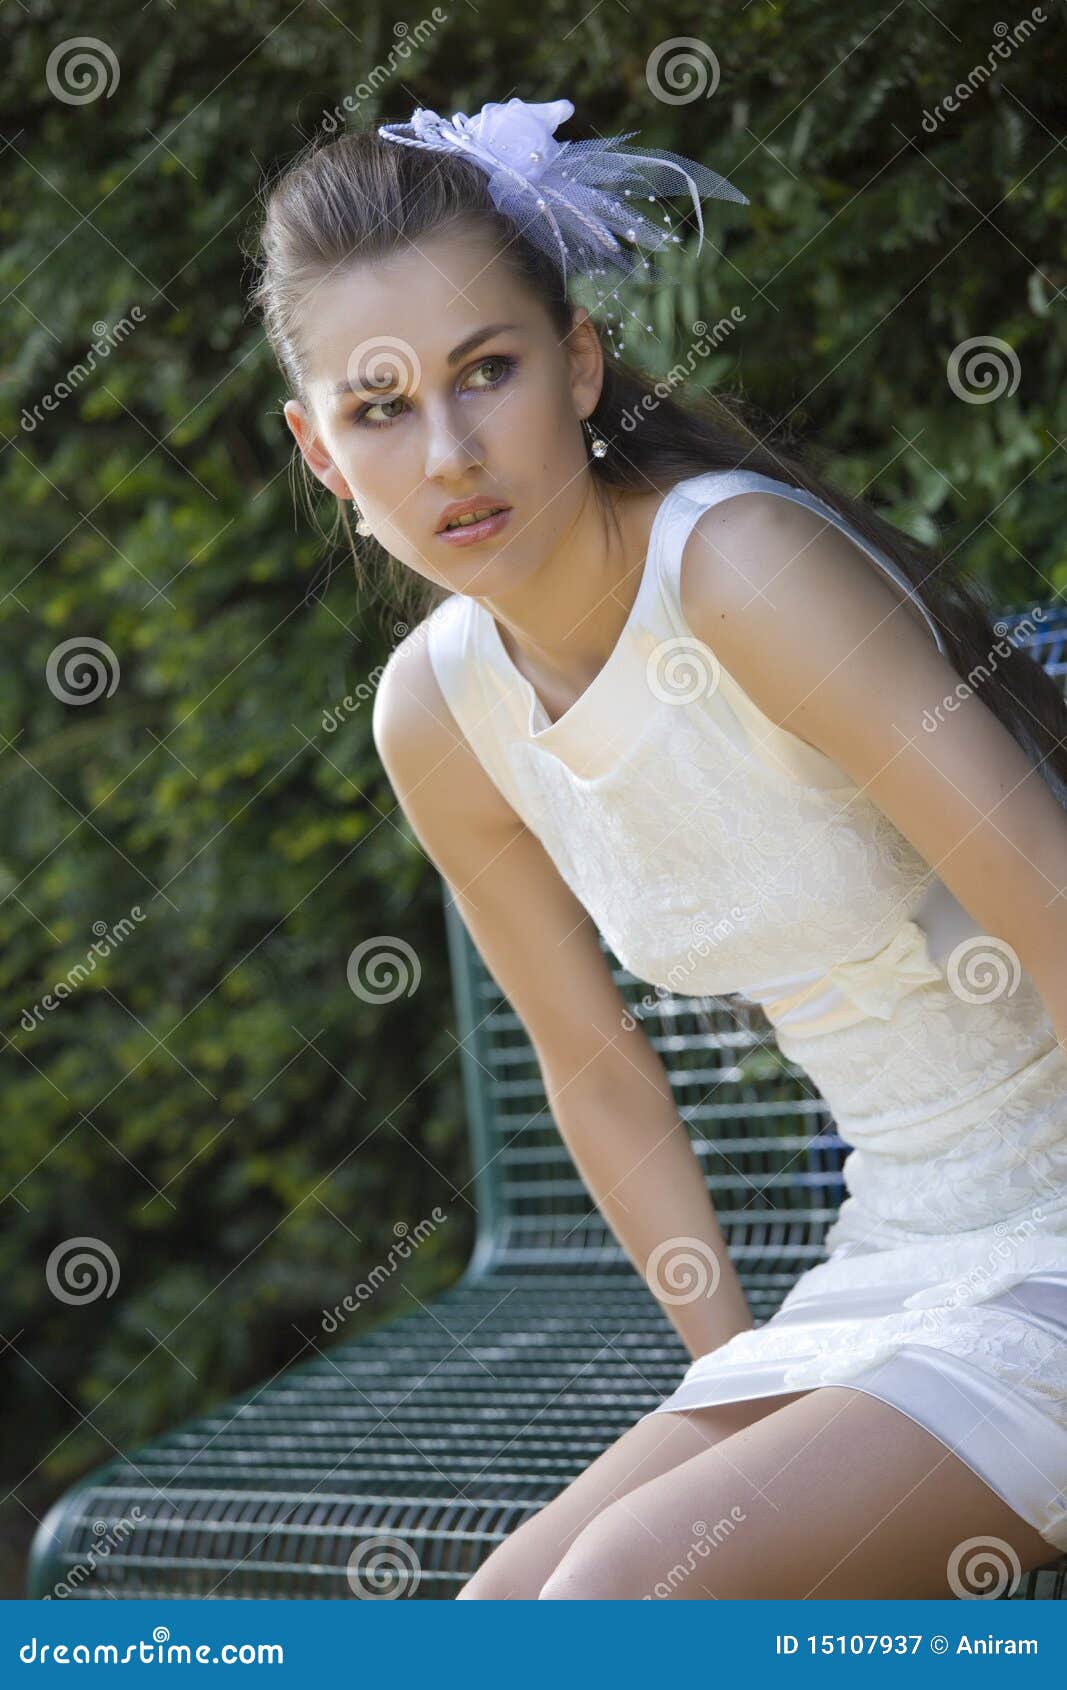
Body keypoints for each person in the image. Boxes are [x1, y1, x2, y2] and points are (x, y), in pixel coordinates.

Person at [250, 95, 1067, 1599]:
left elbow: (1056, 898)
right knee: (498, 1626)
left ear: (578, 362)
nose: (448, 453)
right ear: (320, 452)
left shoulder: (740, 569)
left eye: (485, 373)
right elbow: (595, 1065)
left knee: (624, 1598)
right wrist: (731, 1375)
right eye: (378, 406)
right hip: (894, 1247)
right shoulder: (437, 712)